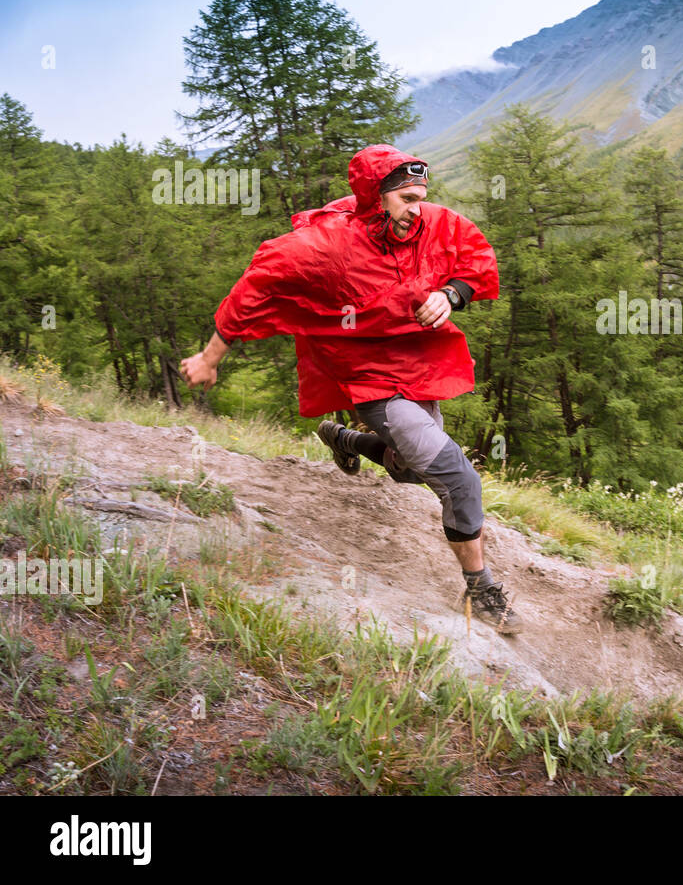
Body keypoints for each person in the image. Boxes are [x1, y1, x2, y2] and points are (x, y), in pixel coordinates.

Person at [179, 144, 521, 633]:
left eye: (421, 195)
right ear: (375, 197)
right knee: (458, 477)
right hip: (367, 373)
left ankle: (344, 440)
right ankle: (481, 589)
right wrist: (210, 358)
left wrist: (451, 294)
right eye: (405, 197)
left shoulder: (433, 223)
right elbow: (256, 283)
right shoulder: (328, 245)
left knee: (408, 471)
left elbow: (474, 256)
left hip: (417, 365)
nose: (416, 207)